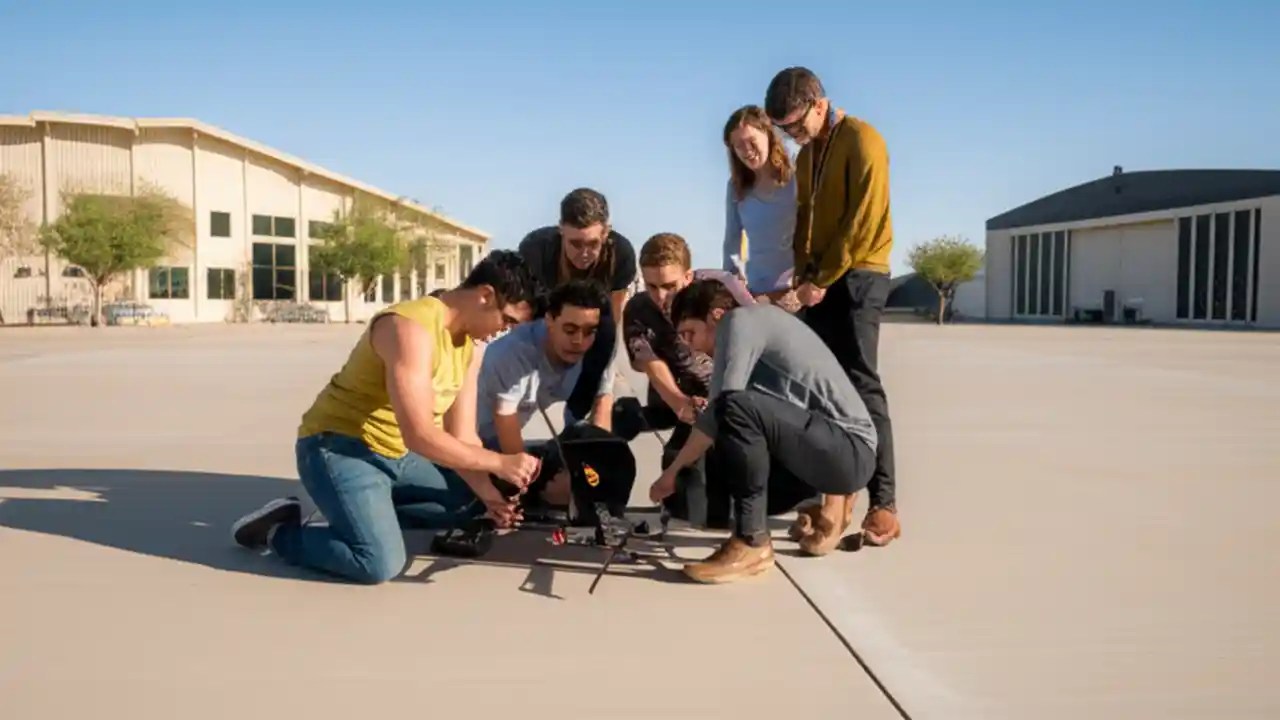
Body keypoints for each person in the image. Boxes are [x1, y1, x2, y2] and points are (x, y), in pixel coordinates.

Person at [230, 250, 544, 585]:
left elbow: (464, 438)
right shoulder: (408, 327)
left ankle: (350, 512)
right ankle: (279, 533)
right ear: (485, 296)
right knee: (378, 563)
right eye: (507, 321)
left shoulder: (469, 348)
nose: (504, 332)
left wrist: (491, 497)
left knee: (466, 502)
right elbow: (420, 435)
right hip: (339, 447)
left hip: (396, 455)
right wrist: (499, 462)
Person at [649, 279, 877, 584]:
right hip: (827, 450)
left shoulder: (740, 321)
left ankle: (751, 542)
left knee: (737, 408)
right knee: (718, 472)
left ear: (716, 314)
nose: (691, 346)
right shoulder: (755, 328)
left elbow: (722, 411)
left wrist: (672, 472)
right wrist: (673, 474)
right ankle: (814, 506)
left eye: (690, 333)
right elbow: (713, 420)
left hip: (848, 450)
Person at [763, 66, 901, 546]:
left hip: (861, 274)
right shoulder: (807, 156)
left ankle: (884, 502)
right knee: (821, 387)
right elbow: (805, 223)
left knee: (862, 383)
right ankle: (835, 493)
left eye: (798, 126)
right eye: (786, 131)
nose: (794, 136)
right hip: (819, 277)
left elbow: (861, 223)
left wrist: (820, 280)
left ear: (819, 104)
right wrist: (803, 275)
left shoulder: (864, 140)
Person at [620, 232, 761, 528]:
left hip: (727, 389)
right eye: (651, 286)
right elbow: (648, 360)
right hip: (675, 394)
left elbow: (756, 338)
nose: (661, 296)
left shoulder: (719, 291)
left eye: (670, 286)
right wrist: (681, 404)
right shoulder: (640, 308)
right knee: (619, 417)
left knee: (717, 454)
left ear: (688, 276)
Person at [473, 278, 625, 512]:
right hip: (472, 443)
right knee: (465, 507)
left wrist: (586, 481)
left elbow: (601, 407)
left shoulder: (601, 346)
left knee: (607, 465)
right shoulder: (514, 352)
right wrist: (521, 489)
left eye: (588, 332)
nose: (578, 341)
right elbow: (506, 420)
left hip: (515, 442)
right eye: (570, 330)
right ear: (549, 320)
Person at [517, 188, 638, 432]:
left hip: (596, 317)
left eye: (593, 244)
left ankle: (580, 422)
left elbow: (612, 320)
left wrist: (601, 383)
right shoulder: (535, 250)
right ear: (561, 229)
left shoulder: (621, 254)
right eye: (575, 243)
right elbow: (523, 316)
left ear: (606, 232)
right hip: (546, 314)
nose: (584, 254)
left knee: (603, 349)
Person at [721, 105, 800, 311]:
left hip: (796, 291)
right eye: (738, 146)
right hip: (757, 294)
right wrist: (732, 282)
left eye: (751, 141)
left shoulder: (797, 177)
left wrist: (805, 285)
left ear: (768, 135)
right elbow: (732, 240)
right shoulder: (736, 188)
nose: (747, 150)